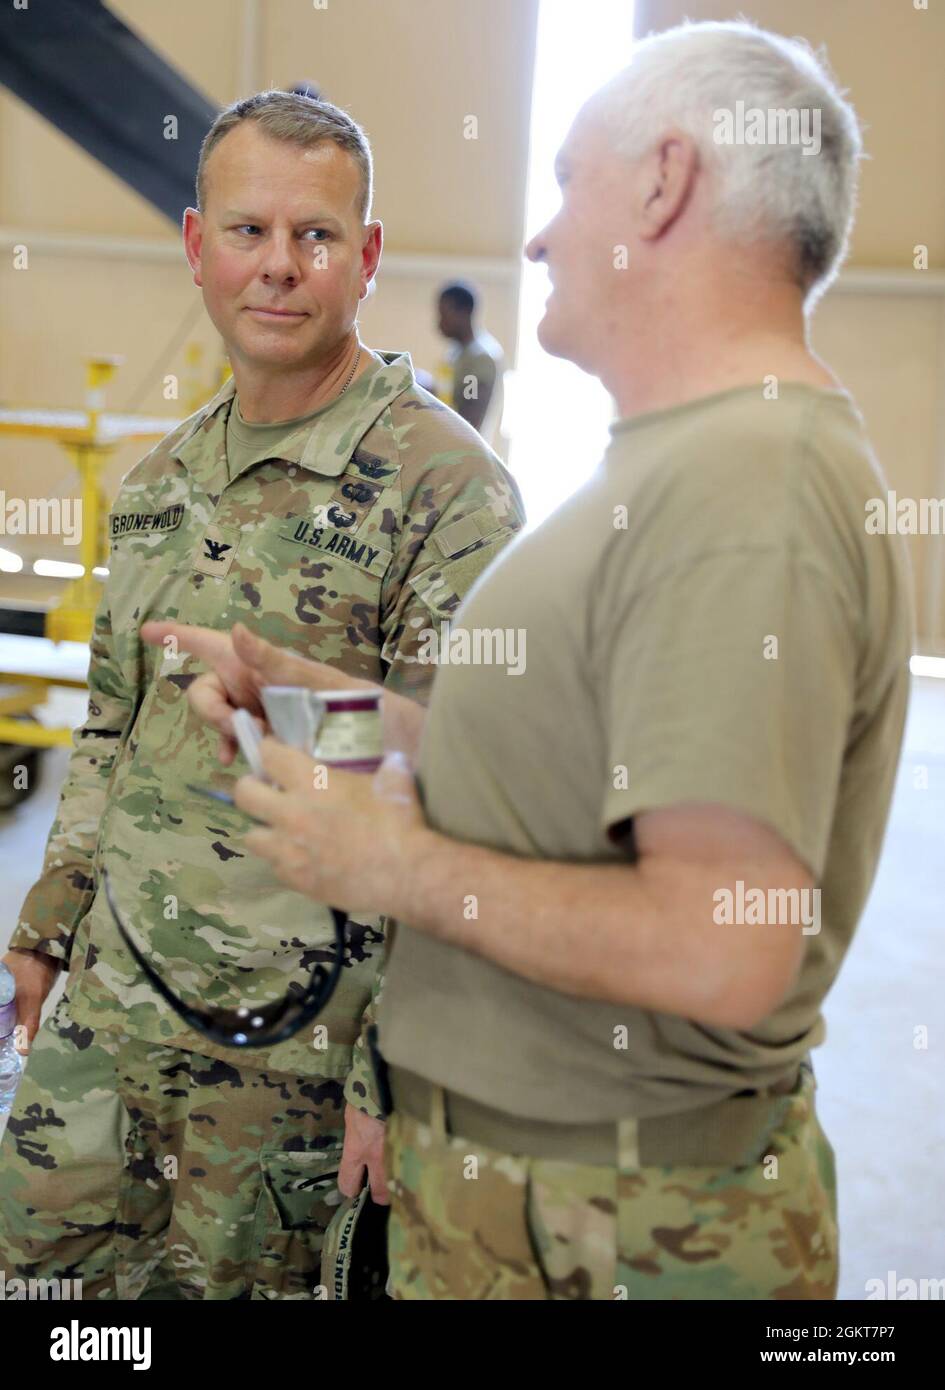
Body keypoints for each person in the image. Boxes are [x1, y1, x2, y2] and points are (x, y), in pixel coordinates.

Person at [170, 21, 913, 1300]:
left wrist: (396, 865)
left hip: (611, 1227)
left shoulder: (750, 487)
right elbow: (561, 786)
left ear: (665, 183)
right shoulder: (683, 469)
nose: (537, 234)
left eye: (568, 180)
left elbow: (722, 942)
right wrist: (327, 711)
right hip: (548, 1205)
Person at [0, 89, 523, 1300]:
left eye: (317, 235)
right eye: (247, 232)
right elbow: (111, 727)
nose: (279, 267)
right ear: (197, 248)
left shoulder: (450, 495)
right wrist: (46, 925)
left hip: (296, 1067)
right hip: (107, 1035)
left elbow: (472, 800)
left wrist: (400, 1076)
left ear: (367, 256)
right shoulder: (157, 483)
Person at [435, 282, 505, 447]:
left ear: (464, 312)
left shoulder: (478, 358)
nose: (439, 322)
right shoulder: (455, 353)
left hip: (467, 451)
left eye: (444, 314)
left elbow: (470, 415)